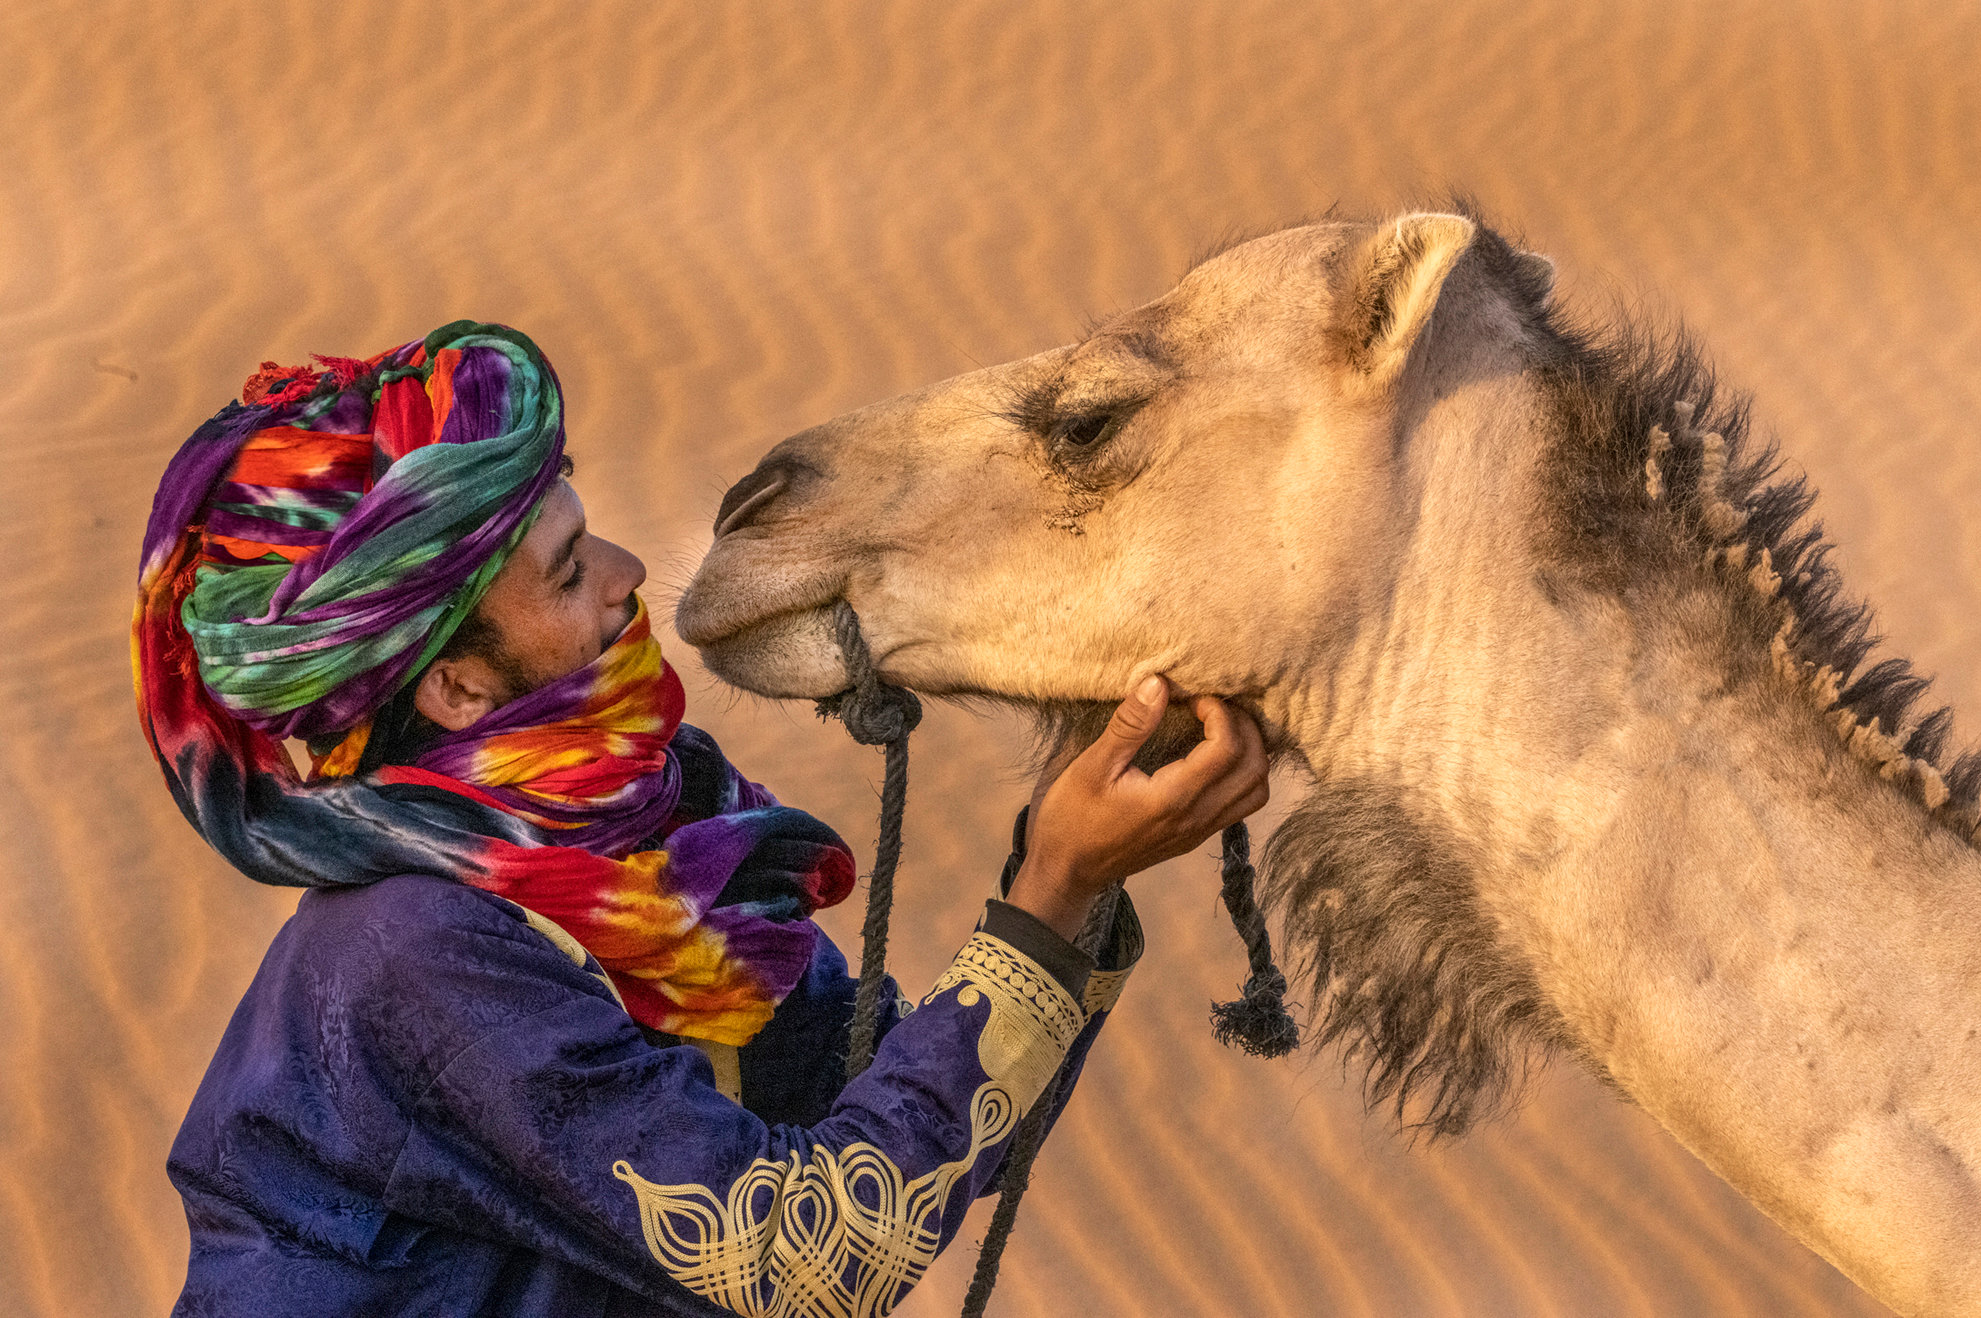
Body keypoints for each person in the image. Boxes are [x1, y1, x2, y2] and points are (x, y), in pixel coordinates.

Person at [136, 322, 1269, 1317]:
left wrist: (1069, 871)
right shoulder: (418, 954)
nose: (630, 575)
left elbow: (910, 1124)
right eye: (570, 571)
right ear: (457, 691)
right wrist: (1052, 896)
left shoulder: (643, 854)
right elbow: (809, 1256)